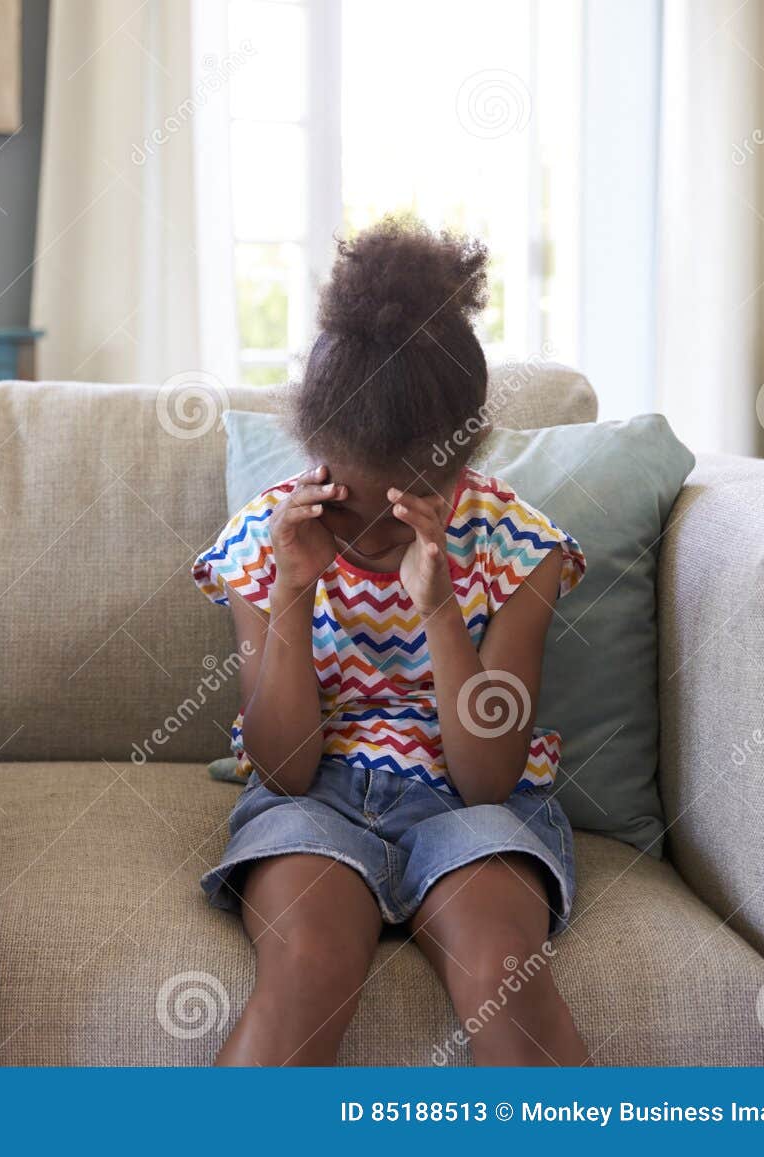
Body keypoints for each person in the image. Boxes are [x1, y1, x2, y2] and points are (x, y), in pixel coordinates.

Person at [192, 216, 589, 1066]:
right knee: (307, 961)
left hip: (472, 807)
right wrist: (294, 594)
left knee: (501, 969)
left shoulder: (522, 549)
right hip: (316, 800)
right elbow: (283, 767)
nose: (370, 536)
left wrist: (442, 609)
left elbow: (487, 778)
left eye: (404, 508)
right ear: (313, 448)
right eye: (348, 500)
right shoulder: (268, 538)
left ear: (460, 463)